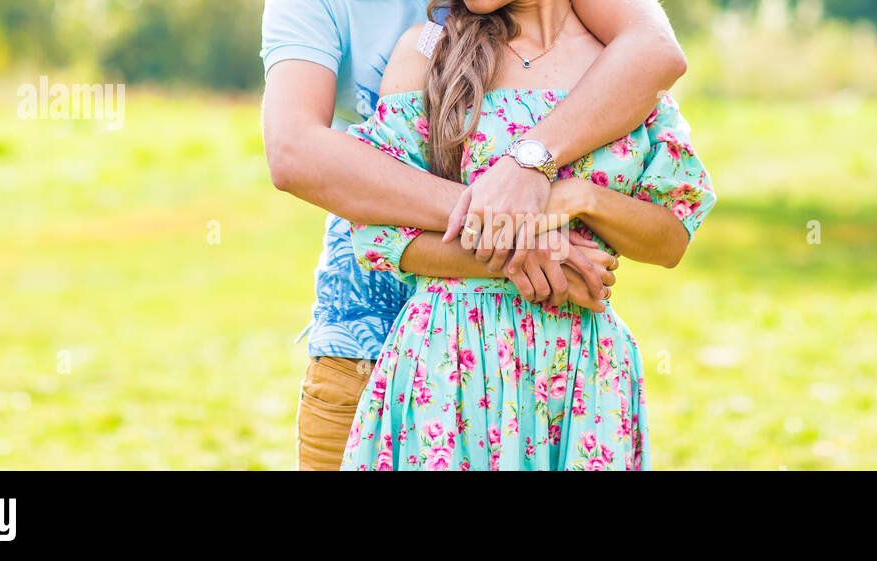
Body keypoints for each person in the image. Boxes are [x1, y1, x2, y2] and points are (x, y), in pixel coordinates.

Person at [260, 0, 690, 470]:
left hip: (580, 378)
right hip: (418, 361)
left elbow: (672, 226)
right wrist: (515, 232)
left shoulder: (616, 64)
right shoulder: (427, 51)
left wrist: (570, 191)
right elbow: (295, 155)